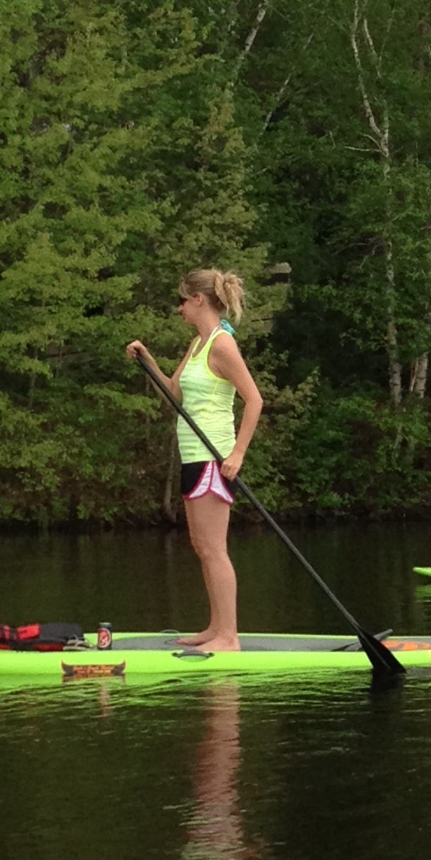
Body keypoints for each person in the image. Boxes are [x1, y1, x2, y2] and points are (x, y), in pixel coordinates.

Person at [125, 269, 263, 652]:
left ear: (199, 300)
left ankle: (229, 637)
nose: (179, 308)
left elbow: (254, 400)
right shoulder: (197, 345)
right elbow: (173, 392)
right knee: (201, 545)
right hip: (192, 456)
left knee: (214, 548)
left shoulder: (222, 345)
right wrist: (147, 359)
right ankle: (215, 628)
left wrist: (237, 454)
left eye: (182, 301)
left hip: (214, 458)